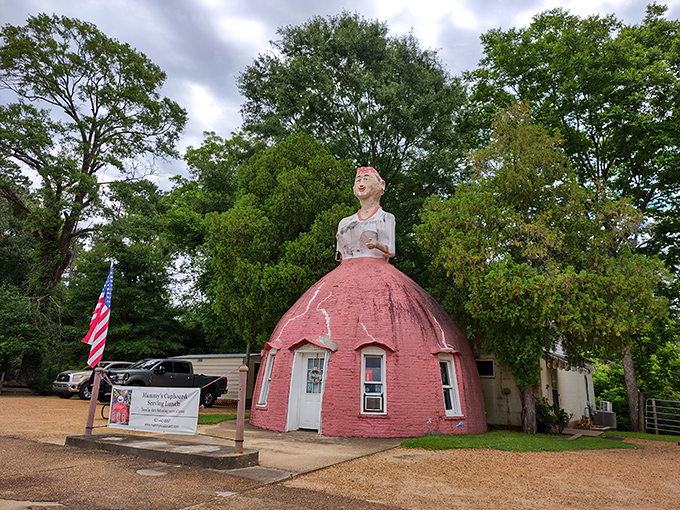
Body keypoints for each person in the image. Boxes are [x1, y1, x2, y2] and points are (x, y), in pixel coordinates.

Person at [336, 166, 395, 261]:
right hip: (347, 269)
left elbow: (391, 250)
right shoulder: (344, 222)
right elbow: (340, 256)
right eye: (358, 181)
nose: (361, 184)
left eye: (366, 179)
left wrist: (377, 245)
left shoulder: (386, 218)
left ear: (382, 184)